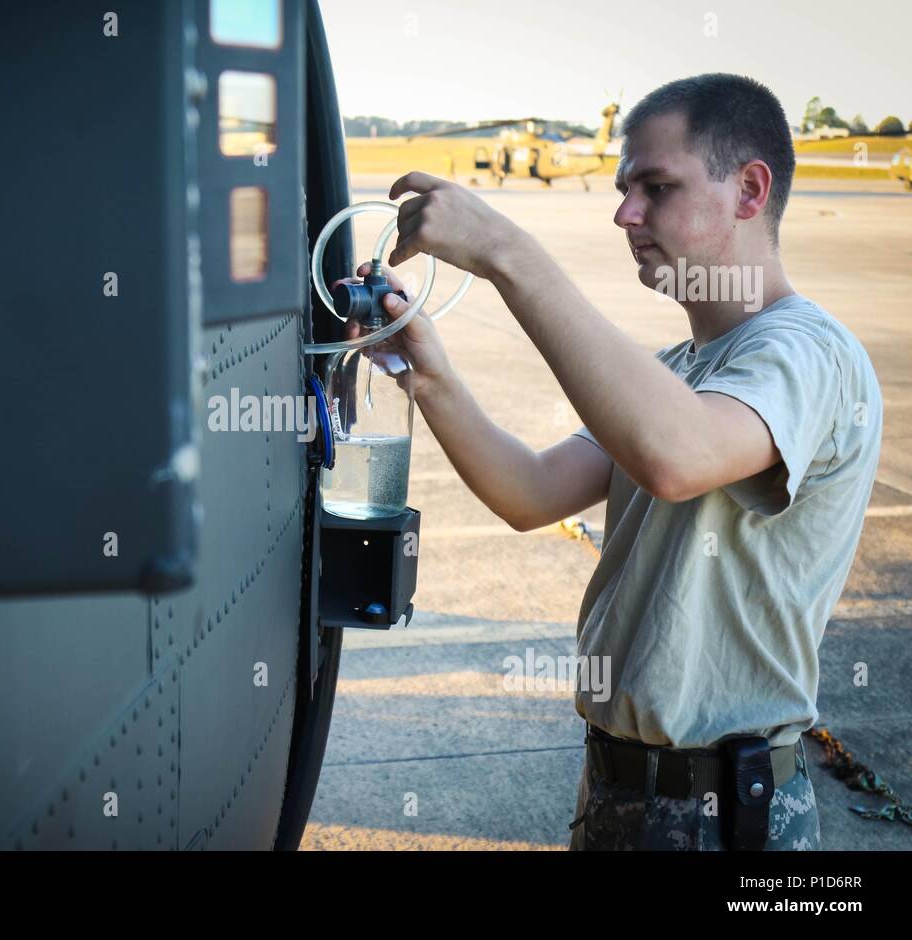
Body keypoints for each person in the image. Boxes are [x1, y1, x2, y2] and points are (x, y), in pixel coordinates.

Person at [333, 73, 883, 850]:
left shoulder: (808, 353)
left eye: (657, 188)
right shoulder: (679, 371)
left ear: (750, 190)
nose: (626, 213)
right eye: (627, 189)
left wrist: (504, 248)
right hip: (621, 794)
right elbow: (528, 492)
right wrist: (429, 372)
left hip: (726, 816)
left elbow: (677, 455)